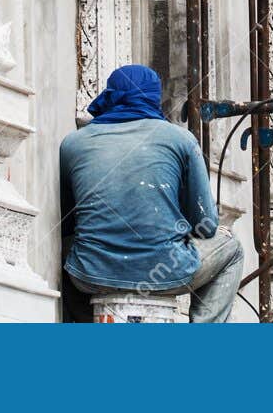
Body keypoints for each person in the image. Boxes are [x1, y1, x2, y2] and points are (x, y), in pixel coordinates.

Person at [59, 64, 244, 322]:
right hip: (165, 274)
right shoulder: (181, 139)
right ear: (153, 97)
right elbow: (207, 225)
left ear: (111, 93)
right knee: (232, 249)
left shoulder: (73, 143)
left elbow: (67, 224)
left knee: (67, 249)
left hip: (91, 276)